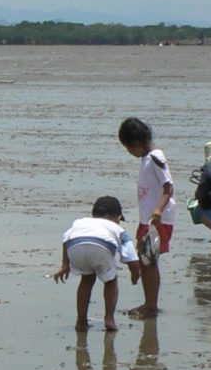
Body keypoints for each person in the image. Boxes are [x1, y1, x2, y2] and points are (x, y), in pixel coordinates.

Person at [53, 196, 141, 331]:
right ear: (118, 217)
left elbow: (66, 239)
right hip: (100, 247)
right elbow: (131, 257)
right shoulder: (117, 229)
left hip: (75, 246)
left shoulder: (81, 222)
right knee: (111, 280)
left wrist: (65, 265)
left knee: (87, 279)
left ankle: (81, 321)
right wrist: (135, 274)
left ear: (93, 214)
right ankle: (109, 319)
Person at [117, 117, 176, 318]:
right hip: (147, 219)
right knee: (145, 262)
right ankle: (149, 303)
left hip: (157, 220)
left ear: (135, 143)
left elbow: (168, 186)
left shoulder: (155, 157)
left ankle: (151, 306)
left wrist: (159, 210)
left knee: (148, 261)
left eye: (128, 147)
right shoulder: (147, 158)